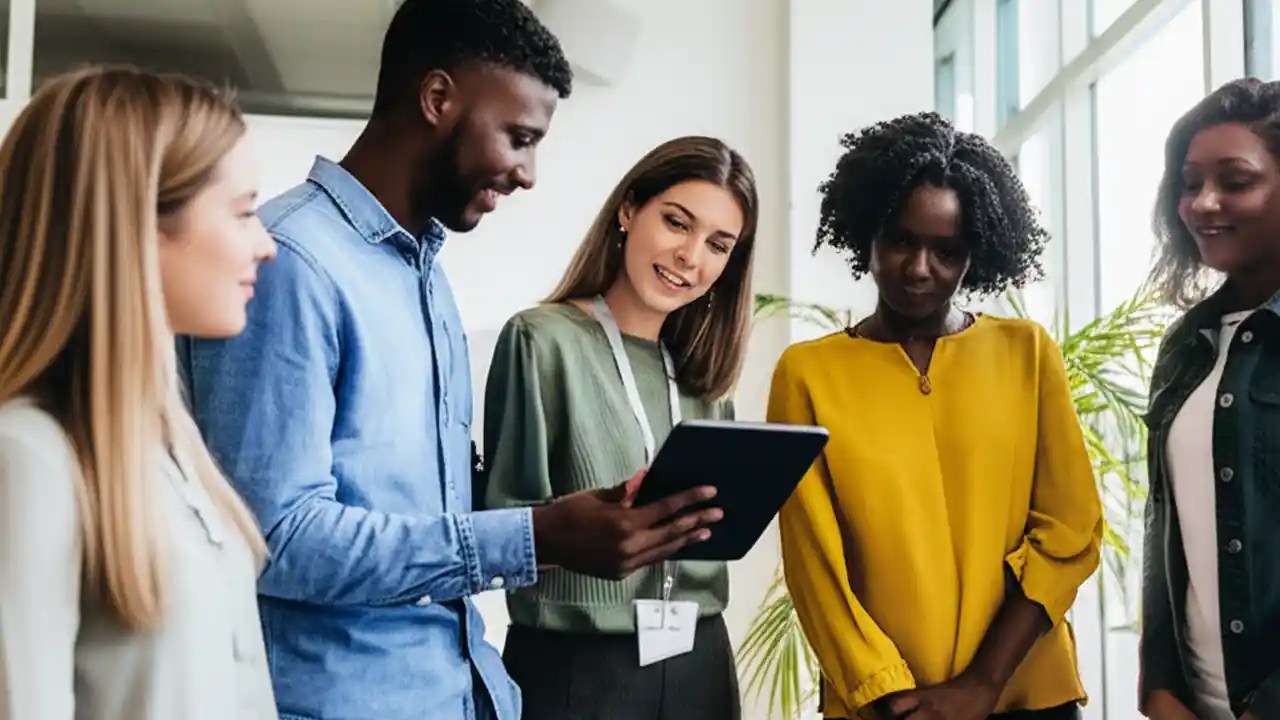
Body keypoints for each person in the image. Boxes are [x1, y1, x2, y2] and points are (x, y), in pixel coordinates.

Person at [176, 2, 723, 719]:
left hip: (457, 691)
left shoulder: (425, 274)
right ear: (437, 98)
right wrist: (533, 536)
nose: (528, 172)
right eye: (519, 137)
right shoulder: (290, 262)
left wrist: (571, 526)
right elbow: (277, 539)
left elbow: (410, 511)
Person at [766, 112, 1103, 720]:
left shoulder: (1026, 353)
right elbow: (815, 565)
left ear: (976, 255)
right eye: (901, 240)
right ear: (867, 232)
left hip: (1026, 695)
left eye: (946, 251)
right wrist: (894, 697)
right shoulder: (807, 374)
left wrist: (981, 685)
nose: (920, 268)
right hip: (887, 708)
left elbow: (1070, 532)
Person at [0, 66, 277, 719]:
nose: (266, 244)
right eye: (242, 212)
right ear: (136, 225)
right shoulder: (28, 459)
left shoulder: (172, 455)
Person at [481, 135, 757, 719]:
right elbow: (500, 532)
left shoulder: (703, 377)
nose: (691, 256)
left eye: (718, 245)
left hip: (699, 660)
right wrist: (588, 536)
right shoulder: (541, 340)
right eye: (677, 223)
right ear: (629, 211)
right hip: (577, 666)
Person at [1140, 77, 1280, 720]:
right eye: (1190, 182)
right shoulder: (1185, 345)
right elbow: (1163, 520)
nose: (1203, 202)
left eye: (1236, 180)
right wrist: (1159, 686)